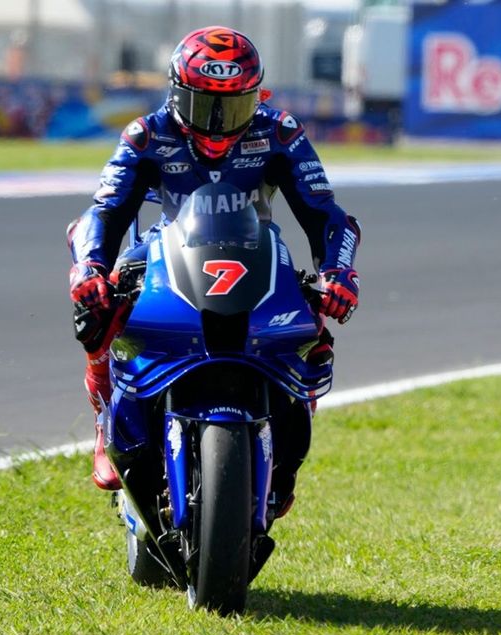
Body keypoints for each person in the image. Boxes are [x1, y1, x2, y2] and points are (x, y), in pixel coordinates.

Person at [67, 26, 362, 498]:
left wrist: (338, 272)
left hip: (258, 249)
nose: (220, 123)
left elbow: (327, 214)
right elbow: (102, 212)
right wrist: (91, 268)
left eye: (235, 106)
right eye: (205, 106)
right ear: (177, 94)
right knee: (100, 302)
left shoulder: (280, 132)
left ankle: (287, 447)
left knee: (316, 324)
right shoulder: (147, 135)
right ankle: (105, 423)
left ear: (257, 97)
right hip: (168, 247)